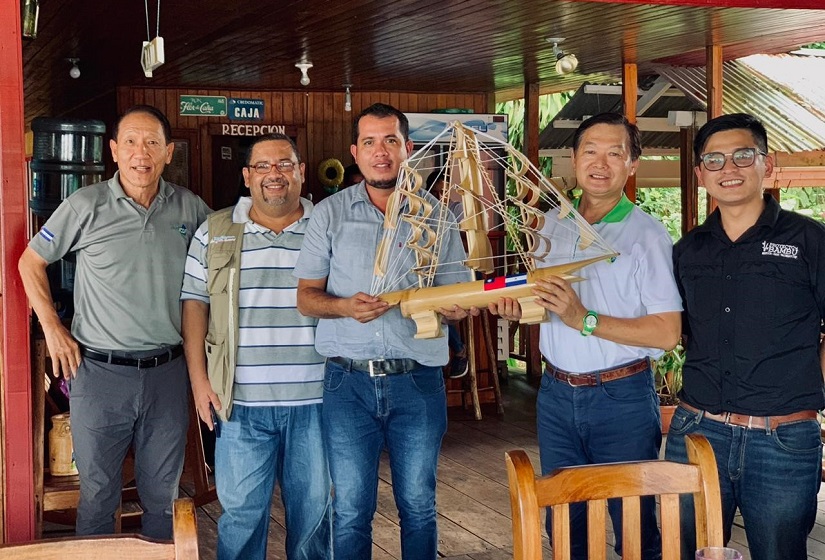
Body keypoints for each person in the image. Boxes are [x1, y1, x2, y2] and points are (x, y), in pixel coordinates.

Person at [489, 112, 682, 560]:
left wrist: (585, 318)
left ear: (631, 165)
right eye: (590, 151)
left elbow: (667, 333)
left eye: (615, 153)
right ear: (574, 160)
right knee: (565, 523)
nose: (601, 162)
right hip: (556, 395)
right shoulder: (552, 225)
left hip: (622, 397)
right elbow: (545, 305)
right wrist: (516, 309)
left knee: (634, 525)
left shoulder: (645, 235)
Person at [18, 105, 210, 538]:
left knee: (163, 496)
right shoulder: (84, 205)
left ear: (168, 152)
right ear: (113, 151)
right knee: (100, 494)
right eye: (130, 142)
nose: (141, 153)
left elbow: (218, 271)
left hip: (168, 372)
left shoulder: (190, 208)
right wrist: (52, 328)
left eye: (152, 143)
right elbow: (30, 262)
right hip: (99, 374)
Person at [294, 102, 472, 560]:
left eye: (391, 141)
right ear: (355, 152)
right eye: (370, 142)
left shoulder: (437, 216)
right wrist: (344, 307)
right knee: (351, 509)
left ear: (407, 149)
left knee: (418, 505)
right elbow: (306, 298)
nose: (381, 152)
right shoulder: (328, 215)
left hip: (418, 381)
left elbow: (459, 301)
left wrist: (454, 307)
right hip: (346, 383)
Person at [664, 113, 825, 560]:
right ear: (700, 174)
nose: (728, 169)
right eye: (713, 160)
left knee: (779, 552)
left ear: (766, 164)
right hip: (696, 432)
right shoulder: (687, 251)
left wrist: (805, 386)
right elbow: (674, 331)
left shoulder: (809, 240)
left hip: (782, 440)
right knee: (685, 550)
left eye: (742, 156)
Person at [181, 133, 331, 560]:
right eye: (263, 167)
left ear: (301, 172)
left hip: (317, 401)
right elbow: (194, 304)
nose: (274, 175)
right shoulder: (216, 230)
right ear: (247, 176)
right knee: (242, 519)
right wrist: (199, 382)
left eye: (284, 164)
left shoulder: (327, 226)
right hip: (241, 403)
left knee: (314, 518)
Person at [426, 171, 469, 378]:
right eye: (435, 192)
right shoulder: (424, 211)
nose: (440, 196)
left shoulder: (455, 209)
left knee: (443, 306)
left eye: (443, 192)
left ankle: (460, 350)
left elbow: (466, 234)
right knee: (433, 305)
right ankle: (457, 350)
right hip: (431, 273)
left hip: (460, 267)